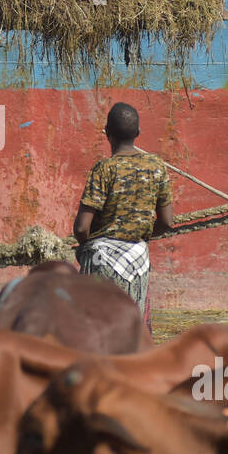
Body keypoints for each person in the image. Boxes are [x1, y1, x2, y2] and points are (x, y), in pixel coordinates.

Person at [72, 103, 173, 327]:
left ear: (107, 134)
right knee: (131, 333)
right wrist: (138, 235)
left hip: (102, 263)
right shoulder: (157, 166)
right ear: (138, 134)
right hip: (138, 262)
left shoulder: (104, 169)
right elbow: (166, 222)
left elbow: (81, 228)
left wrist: (86, 246)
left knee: (95, 332)